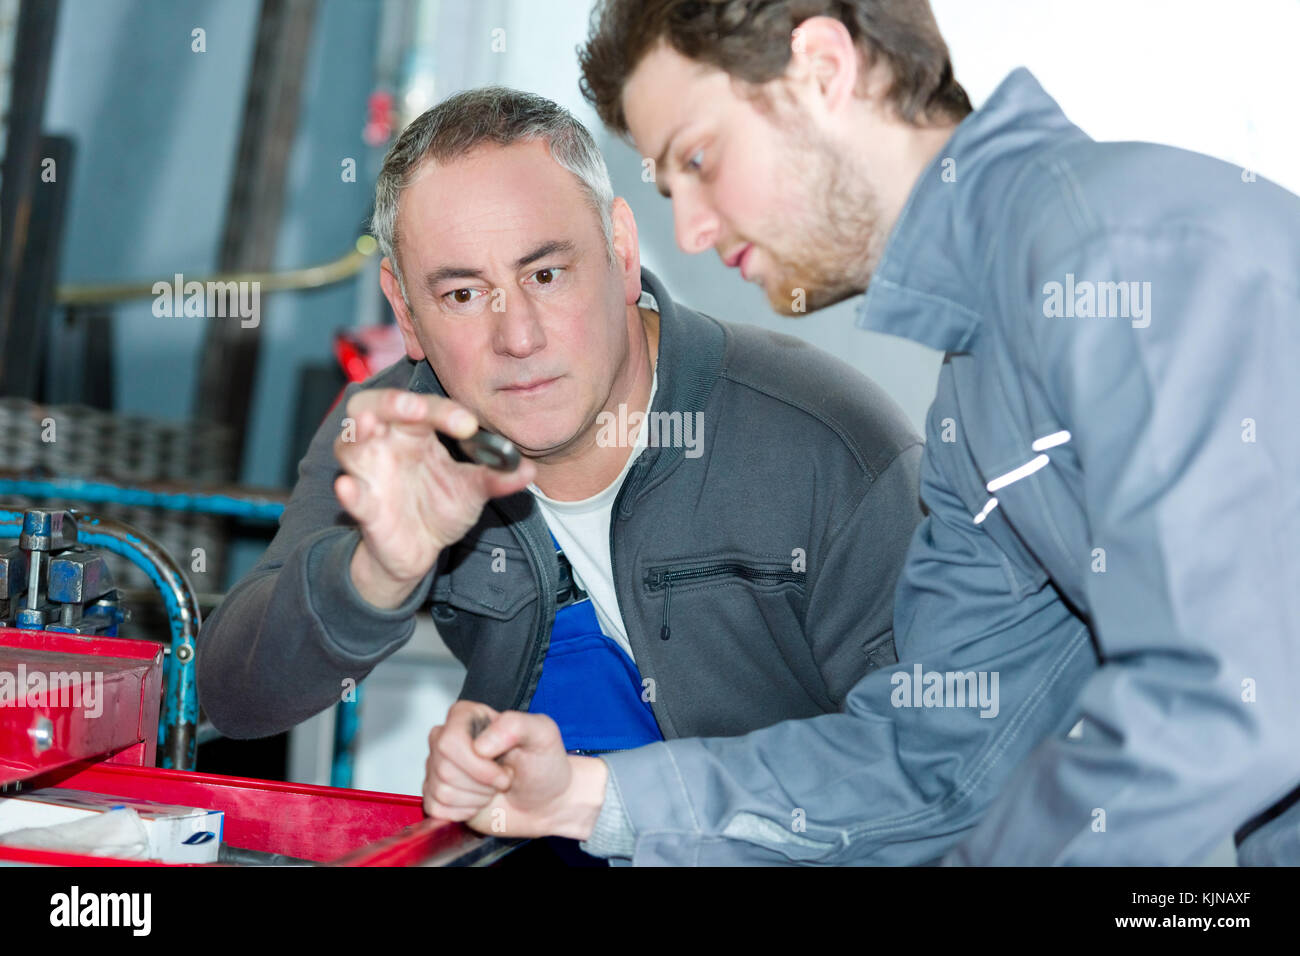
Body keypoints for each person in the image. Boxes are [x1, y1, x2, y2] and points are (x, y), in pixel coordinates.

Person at [431, 0, 1299, 866]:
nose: (690, 231)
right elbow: (939, 756)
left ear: (823, 69)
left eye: (700, 159)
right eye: (670, 187)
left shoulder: (1129, 259)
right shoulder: (981, 402)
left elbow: (1222, 699)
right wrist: (592, 794)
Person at [195, 87, 926, 821]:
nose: (518, 337)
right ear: (405, 312)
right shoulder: (400, 435)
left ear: (624, 253)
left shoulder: (829, 448)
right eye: (461, 295)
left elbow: (930, 774)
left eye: (546, 275)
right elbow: (234, 698)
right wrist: (377, 574)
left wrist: (609, 804)